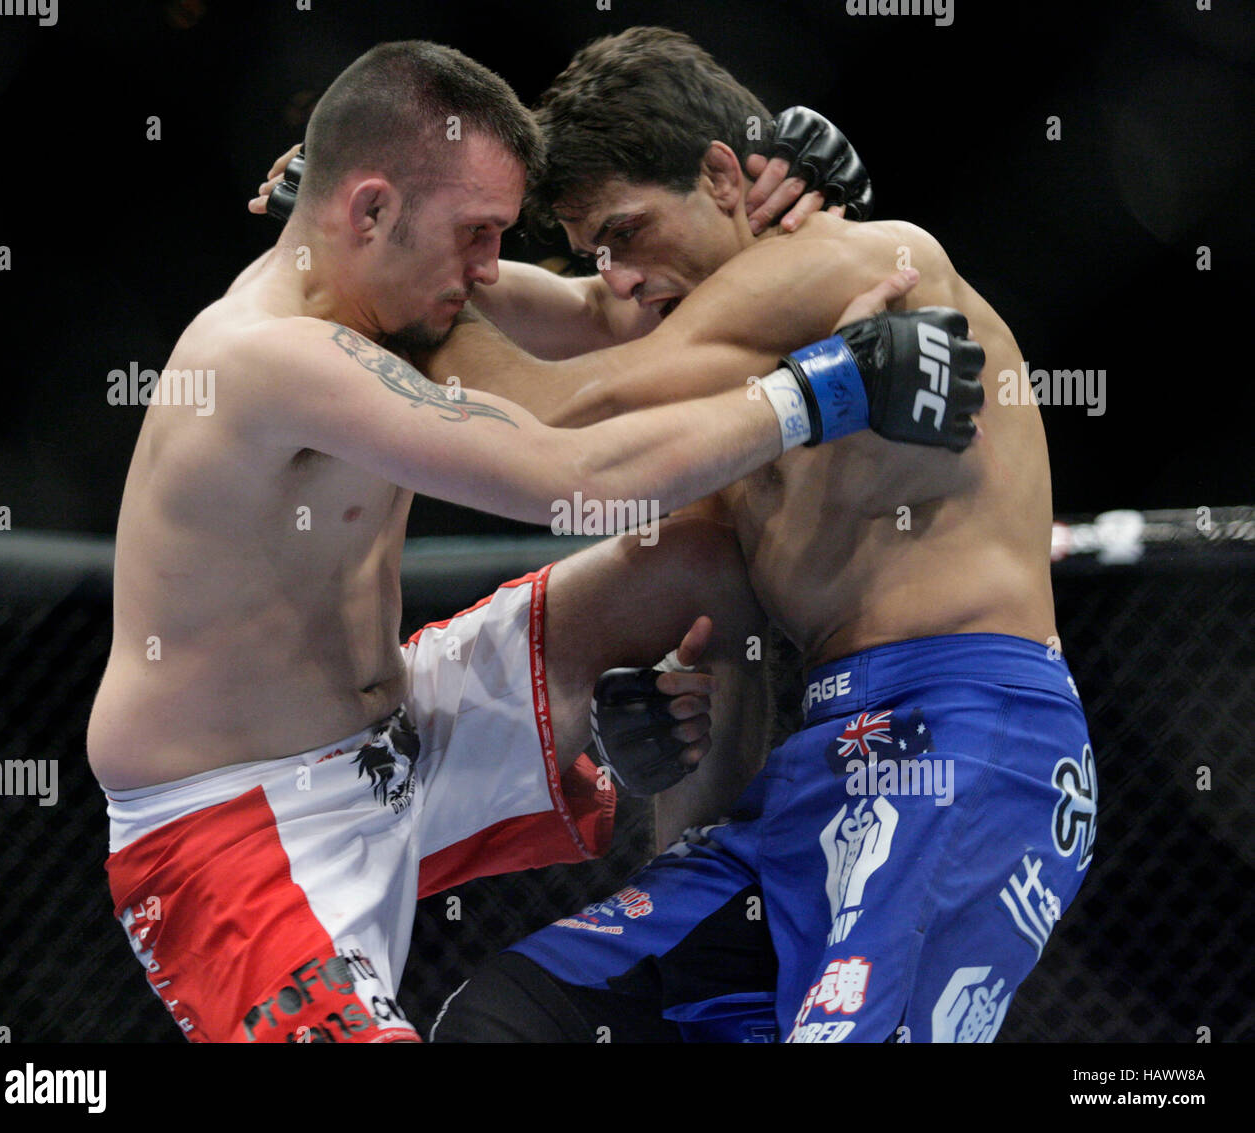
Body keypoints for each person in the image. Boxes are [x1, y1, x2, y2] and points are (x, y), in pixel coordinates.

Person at [92, 39, 981, 1043]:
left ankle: (695, 900)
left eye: (497, 235)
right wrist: (818, 389)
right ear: (371, 208)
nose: (488, 269)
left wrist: (783, 196)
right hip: (236, 826)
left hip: (402, 734)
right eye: (475, 234)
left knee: (694, 559)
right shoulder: (265, 357)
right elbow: (576, 479)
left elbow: (621, 306)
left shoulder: (397, 286)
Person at [384, 27, 1097, 1043]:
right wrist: (662, 724)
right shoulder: (738, 398)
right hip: (808, 777)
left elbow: (563, 415)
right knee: (515, 1019)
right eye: (598, 252)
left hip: (966, 743)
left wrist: (384, 280)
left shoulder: (848, 261)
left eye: (627, 233)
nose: (618, 277)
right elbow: (575, 313)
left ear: (722, 175)